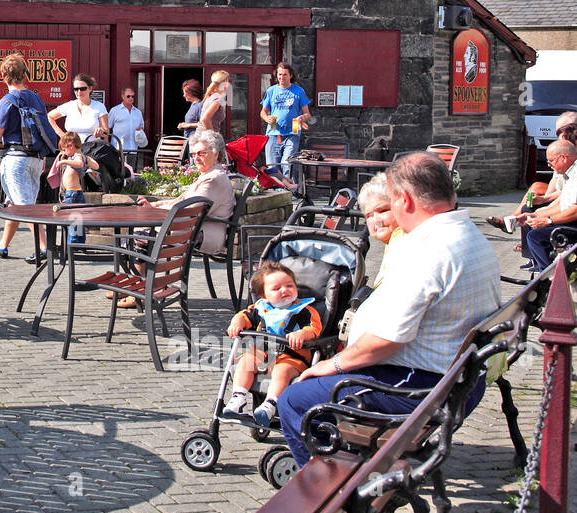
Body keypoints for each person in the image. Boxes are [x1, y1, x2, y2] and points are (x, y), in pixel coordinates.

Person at [277, 153, 501, 468]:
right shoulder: (466, 234)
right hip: (456, 378)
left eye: (391, 202)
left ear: (405, 201)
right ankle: (351, 466)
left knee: (295, 400)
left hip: (421, 388)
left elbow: (387, 340)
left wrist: (333, 365)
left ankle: (338, 500)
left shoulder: (429, 250)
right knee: (316, 390)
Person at [224, 262, 322, 427]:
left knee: (281, 371)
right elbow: (242, 316)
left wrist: (301, 334)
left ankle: (271, 404)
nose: (284, 290)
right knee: (245, 362)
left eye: (289, 285)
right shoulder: (260, 309)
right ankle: (238, 398)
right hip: (262, 353)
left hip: (291, 356)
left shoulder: (304, 310)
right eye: (276, 288)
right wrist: (236, 323)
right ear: (264, 295)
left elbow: (314, 329)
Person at [0, 52, 53, 263]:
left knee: (25, 207)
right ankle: (2, 246)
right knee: (14, 204)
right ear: (25, 74)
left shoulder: (7, 101)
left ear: (3, 76)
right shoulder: (36, 98)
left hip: (16, 159)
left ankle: (45, 249)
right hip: (36, 158)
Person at [136, 129, 234, 254]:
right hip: (192, 228)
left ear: (216, 154)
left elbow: (190, 208)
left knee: (140, 238)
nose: (196, 158)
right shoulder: (208, 175)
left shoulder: (213, 179)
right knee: (140, 237)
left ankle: (136, 271)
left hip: (202, 234)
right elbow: (182, 200)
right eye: (194, 155)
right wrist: (156, 205)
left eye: (201, 153)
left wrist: (155, 210)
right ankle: (138, 270)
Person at [489, 111, 577, 230]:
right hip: (564, 195)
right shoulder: (562, 149)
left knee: (529, 209)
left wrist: (545, 202)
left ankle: (514, 223)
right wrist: (545, 198)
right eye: (557, 132)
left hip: (568, 199)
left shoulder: (568, 153)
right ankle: (513, 222)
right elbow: (556, 179)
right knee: (535, 189)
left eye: (560, 131)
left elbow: (568, 193)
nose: (559, 135)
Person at [519, 139, 577, 273]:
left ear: (563, 158)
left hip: (574, 224)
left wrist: (548, 220)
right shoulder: (570, 174)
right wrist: (535, 216)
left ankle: (550, 278)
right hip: (571, 221)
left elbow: (574, 211)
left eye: (551, 161)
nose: (549, 165)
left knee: (536, 237)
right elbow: (563, 205)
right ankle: (543, 270)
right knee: (531, 224)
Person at [259, 62, 311, 178]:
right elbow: (263, 112)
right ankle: (276, 192)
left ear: (291, 75)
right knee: (272, 168)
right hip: (273, 133)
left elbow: (307, 114)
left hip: (292, 133)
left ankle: (289, 193)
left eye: (285, 75)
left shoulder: (299, 91)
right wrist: (267, 118)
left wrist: (301, 117)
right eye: (279, 74)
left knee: (288, 165)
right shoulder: (271, 91)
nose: (281, 77)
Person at [357, 172, 404, 286]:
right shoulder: (393, 242)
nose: (376, 220)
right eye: (369, 215)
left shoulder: (403, 241)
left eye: (383, 211)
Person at [51, 131, 98, 244]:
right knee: (77, 220)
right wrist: (87, 159)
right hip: (76, 192)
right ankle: (79, 244)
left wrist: (63, 161)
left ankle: (71, 246)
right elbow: (96, 165)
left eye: (64, 149)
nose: (64, 152)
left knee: (71, 220)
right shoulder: (82, 157)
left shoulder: (77, 157)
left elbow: (80, 164)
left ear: (71, 146)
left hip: (72, 194)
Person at [49, 72, 109, 143]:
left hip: (93, 149)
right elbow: (50, 116)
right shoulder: (69, 106)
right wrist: (61, 135)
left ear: (90, 89)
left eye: (82, 88)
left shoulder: (99, 106)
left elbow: (106, 131)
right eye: (76, 89)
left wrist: (101, 131)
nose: (79, 92)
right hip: (71, 149)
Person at [107, 85, 147, 170]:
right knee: (118, 173)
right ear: (122, 97)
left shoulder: (138, 112)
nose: (131, 98)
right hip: (118, 149)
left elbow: (141, 127)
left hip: (133, 148)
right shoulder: (115, 111)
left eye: (132, 96)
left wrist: (140, 130)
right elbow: (107, 128)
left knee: (130, 173)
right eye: (128, 96)